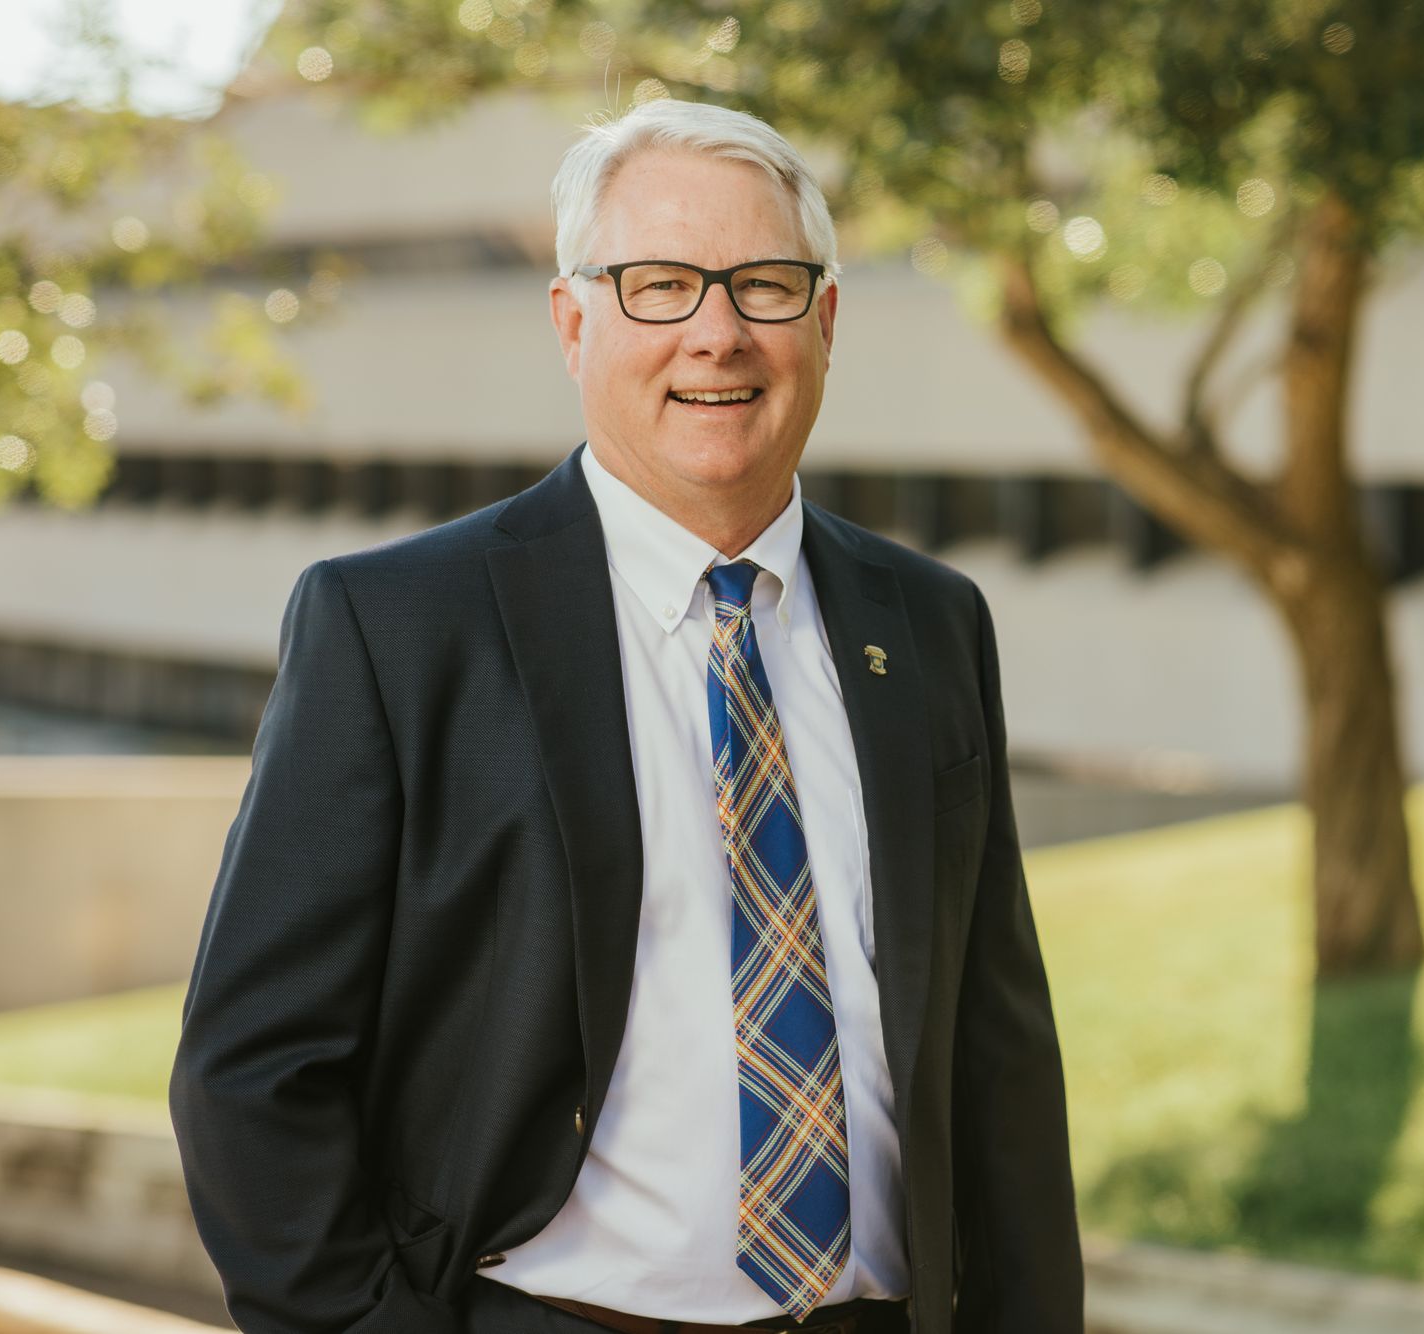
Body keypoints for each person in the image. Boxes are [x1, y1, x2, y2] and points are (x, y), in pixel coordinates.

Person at [168, 98, 1082, 1334]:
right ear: (572, 320)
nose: (716, 333)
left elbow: (997, 1048)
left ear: (823, 320)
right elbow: (254, 1066)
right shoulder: (395, 626)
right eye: (658, 285)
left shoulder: (926, 624)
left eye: (763, 284)